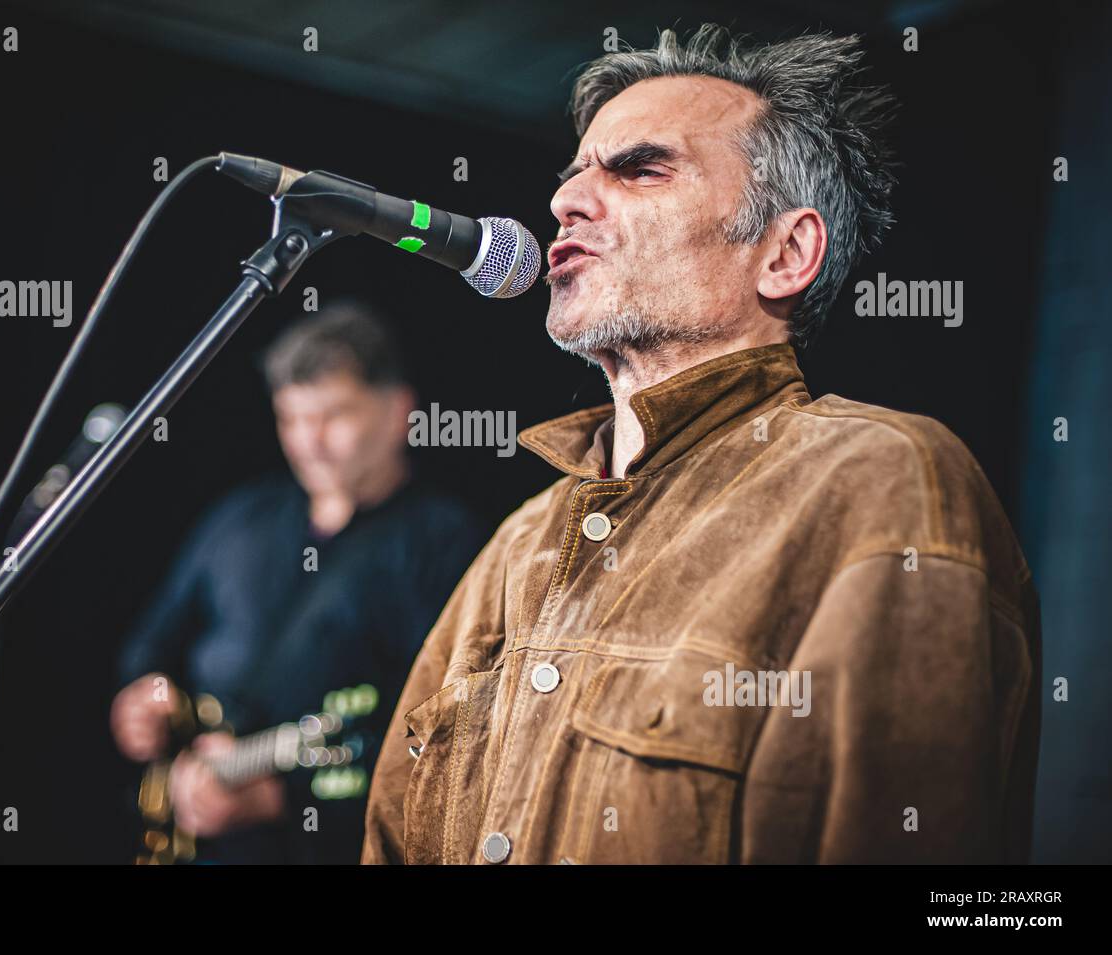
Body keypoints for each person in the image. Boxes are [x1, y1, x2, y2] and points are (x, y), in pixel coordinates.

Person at [362, 24, 1041, 864]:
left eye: (640, 167)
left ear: (786, 253)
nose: (565, 201)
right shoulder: (518, 544)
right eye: (573, 174)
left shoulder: (880, 476)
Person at [111, 301, 484, 863]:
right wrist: (144, 697)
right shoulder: (240, 517)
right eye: (291, 419)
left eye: (334, 416)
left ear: (396, 412)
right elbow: (151, 644)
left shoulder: (443, 543)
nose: (309, 442)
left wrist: (285, 800)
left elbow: (449, 736)